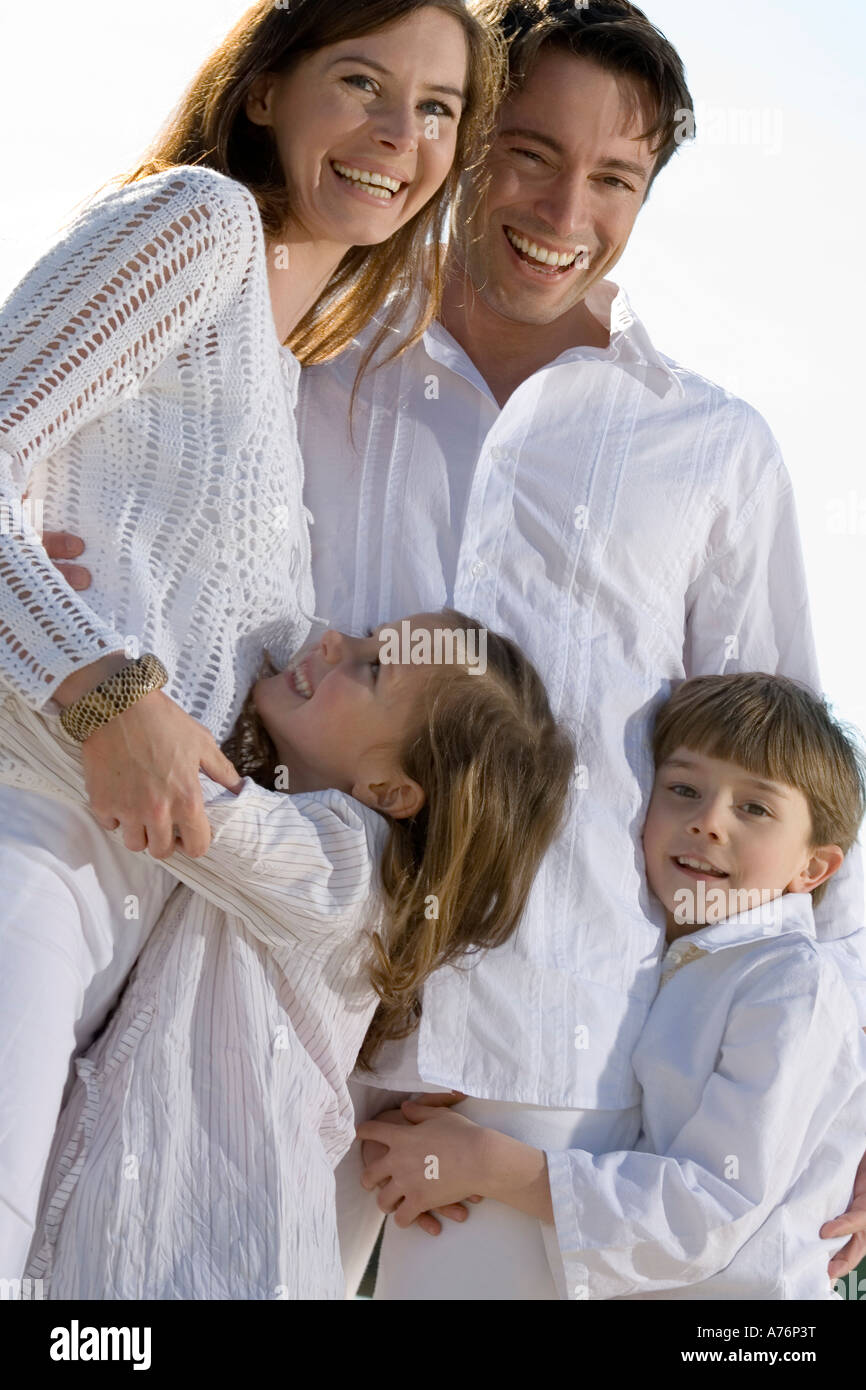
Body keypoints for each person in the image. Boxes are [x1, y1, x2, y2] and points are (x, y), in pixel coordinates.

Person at [40, 0, 866, 1297]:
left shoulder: (709, 449)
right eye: (528, 150)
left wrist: (842, 1097)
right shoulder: (316, 372)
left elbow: (801, 795)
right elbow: (169, 513)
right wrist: (59, 547)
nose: (561, 208)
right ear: (471, 140)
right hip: (278, 1034)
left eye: (614, 177)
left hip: (569, 1083)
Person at [0, 0, 505, 1278]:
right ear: (268, 88)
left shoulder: (278, 377)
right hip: (25, 826)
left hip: (130, 900)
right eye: (361, 81)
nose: (399, 134)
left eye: (436, 108)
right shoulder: (198, 223)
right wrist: (100, 685)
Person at [0, 611, 574, 1298]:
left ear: (390, 791)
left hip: (207, 1261)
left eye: (370, 667)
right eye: (367, 636)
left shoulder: (347, 865)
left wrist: (68, 663)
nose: (332, 640)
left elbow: (152, 781)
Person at [358, 672, 866, 1300]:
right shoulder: (688, 963)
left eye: (754, 807)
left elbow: (709, 1210)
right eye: (682, 788)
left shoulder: (792, 984)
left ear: (813, 867)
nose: (708, 821)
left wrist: (487, 1164)